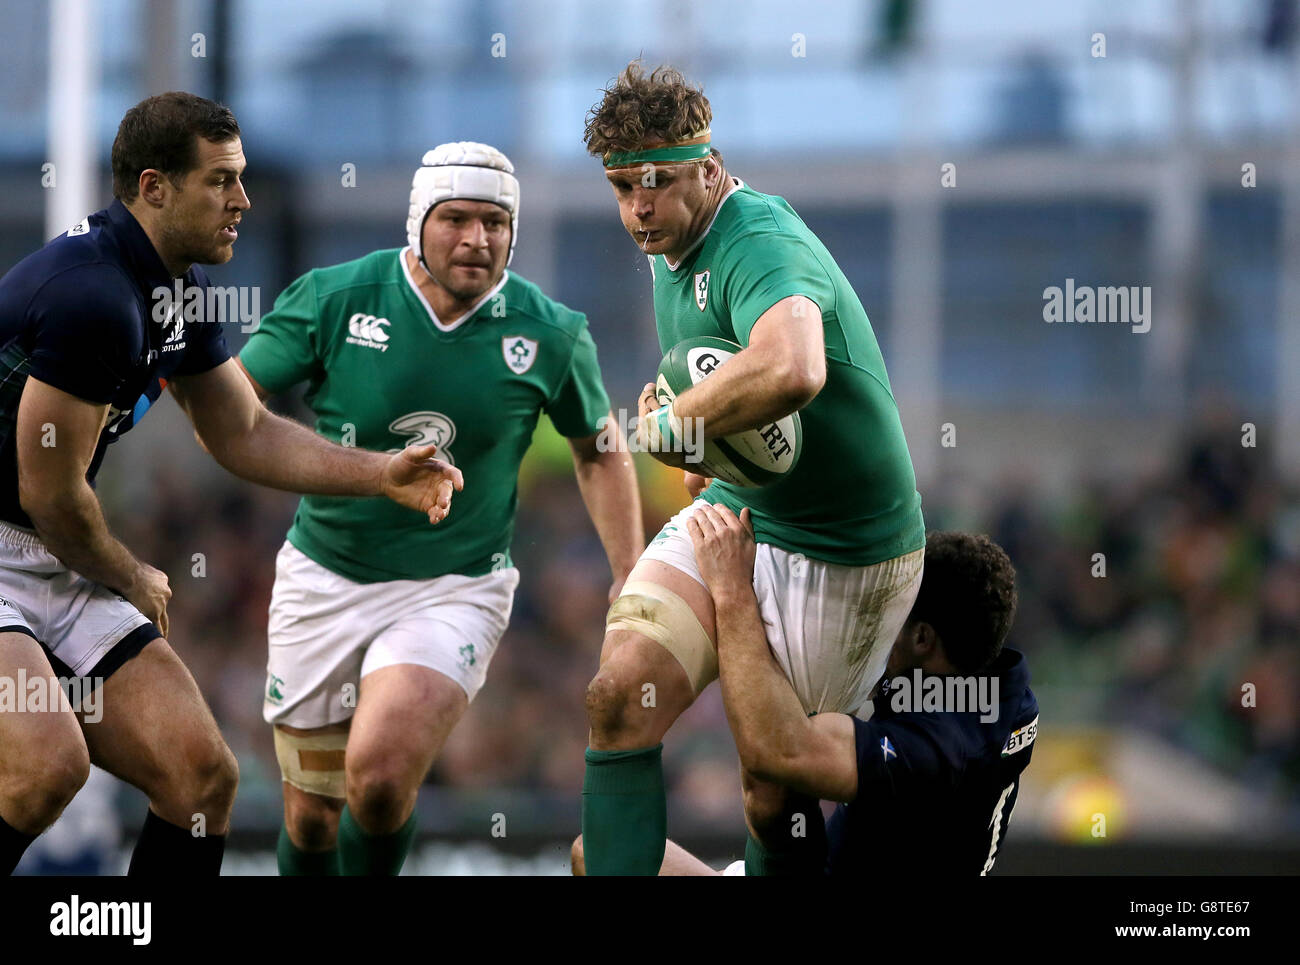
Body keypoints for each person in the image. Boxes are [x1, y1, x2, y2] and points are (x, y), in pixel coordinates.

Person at [0, 92, 462, 876]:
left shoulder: (175, 293)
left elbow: (243, 431)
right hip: (31, 545)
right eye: (220, 180)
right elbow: (49, 493)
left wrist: (381, 474)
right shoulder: (92, 297)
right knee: (45, 768)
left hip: (51, 557)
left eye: (241, 178)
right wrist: (130, 574)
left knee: (202, 779)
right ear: (154, 188)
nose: (242, 199)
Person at [237, 141, 643, 876]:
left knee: (379, 777)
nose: (476, 238)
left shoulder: (549, 331)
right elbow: (234, 407)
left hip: (455, 587)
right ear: (417, 222)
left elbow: (599, 447)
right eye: (455, 218)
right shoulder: (336, 298)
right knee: (311, 815)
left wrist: (628, 572)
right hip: (323, 578)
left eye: (495, 222)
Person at [579, 63, 926, 875]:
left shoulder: (758, 237)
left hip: (844, 549)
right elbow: (735, 397)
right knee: (616, 697)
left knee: (774, 785)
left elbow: (792, 367)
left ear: (708, 168)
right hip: (739, 511)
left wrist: (673, 423)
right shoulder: (669, 247)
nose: (638, 208)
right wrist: (699, 447)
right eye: (623, 187)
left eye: (656, 182)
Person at [571, 515, 1038, 876]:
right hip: (828, 864)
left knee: (772, 792)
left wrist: (731, 590)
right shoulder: (988, 677)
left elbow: (776, 751)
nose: (878, 622)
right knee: (596, 852)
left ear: (922, 638)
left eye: (892, 611)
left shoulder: (941, 748)